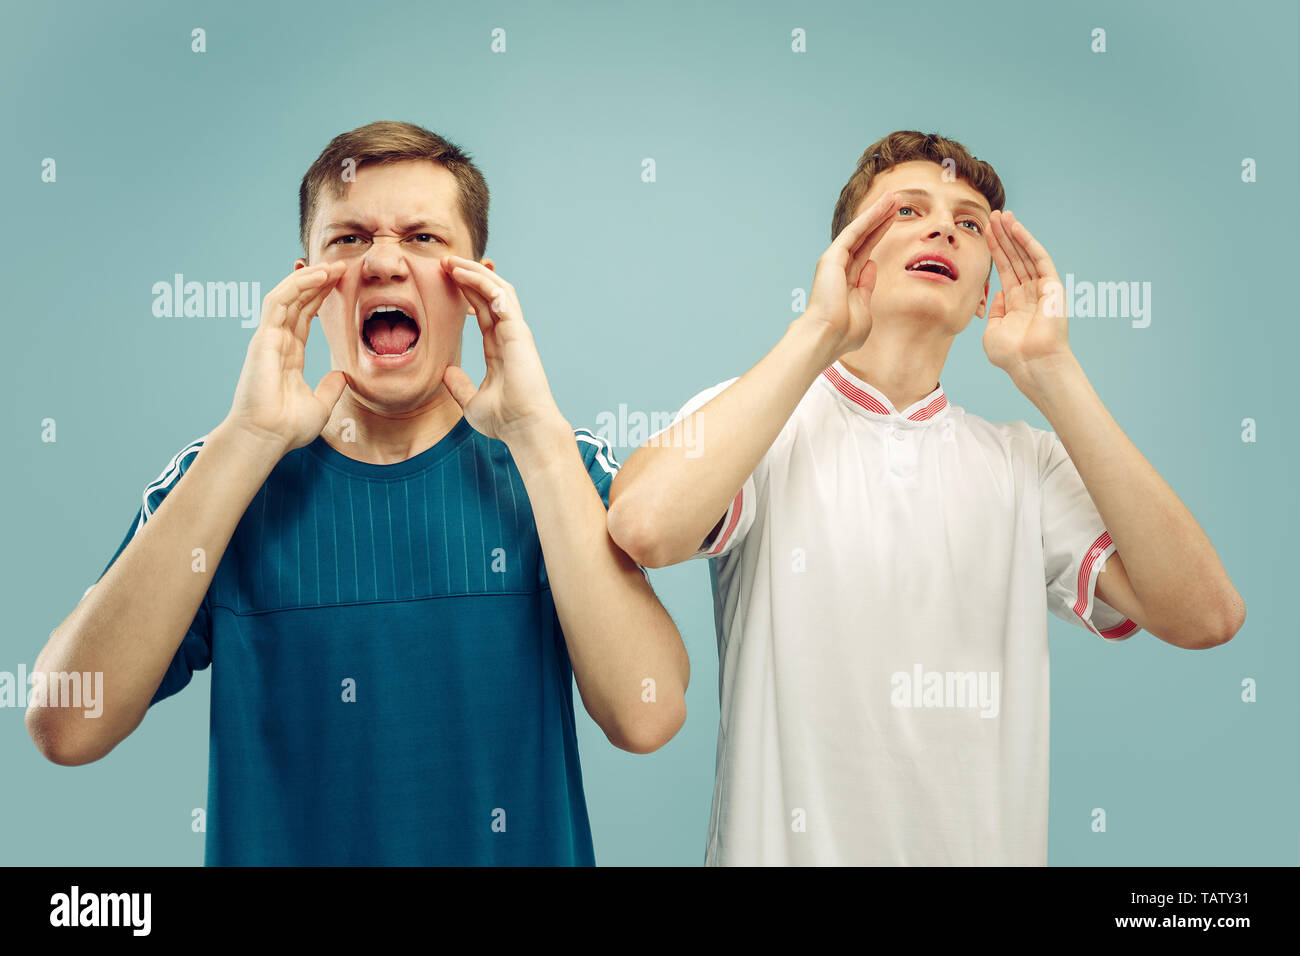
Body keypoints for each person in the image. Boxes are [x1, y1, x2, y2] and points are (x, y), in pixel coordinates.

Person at [26, 120, 689, 866]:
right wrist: (245, 440)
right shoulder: (221, 481)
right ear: (307, 281)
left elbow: (648, 714)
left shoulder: (556, 467)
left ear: (479, 287)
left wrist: (537, 437)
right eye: (348, 239)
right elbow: (65, 724)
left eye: (423, 238)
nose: (382, 261)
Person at [606, 130, 1245, 866]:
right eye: (907, 210)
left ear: (983, 293)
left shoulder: (1024, 466)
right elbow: (644, 525)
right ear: (851, 254)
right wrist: (818, 328)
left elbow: (1207, 615)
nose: (943, 226)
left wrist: (1053, 371)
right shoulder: (762, 422)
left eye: (970, 222)